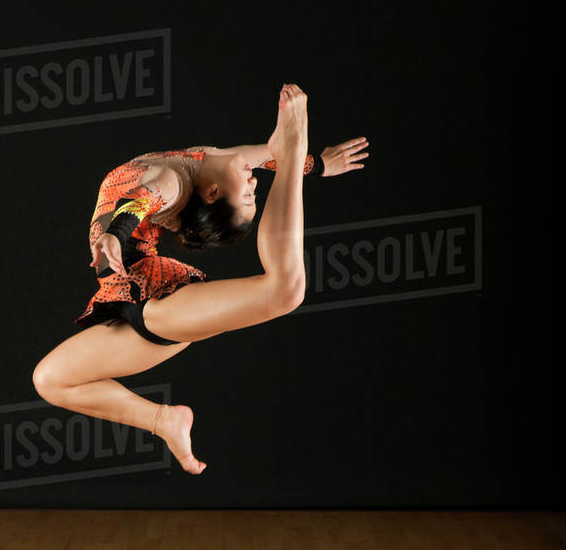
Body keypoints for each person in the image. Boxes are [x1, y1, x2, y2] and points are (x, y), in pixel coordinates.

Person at [32, 84, 368, 473]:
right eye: (253, 195)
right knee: (50, 380)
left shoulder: (175, 183)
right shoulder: (212, 161)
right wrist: (320, 165)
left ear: (211, 193)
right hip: (140, 307)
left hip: (158, 307)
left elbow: (145, 197)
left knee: (286, 291)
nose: (254, 183)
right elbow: (263, 157)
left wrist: (118, 231)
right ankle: (164, 421)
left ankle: (293, 157)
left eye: (247, 196)